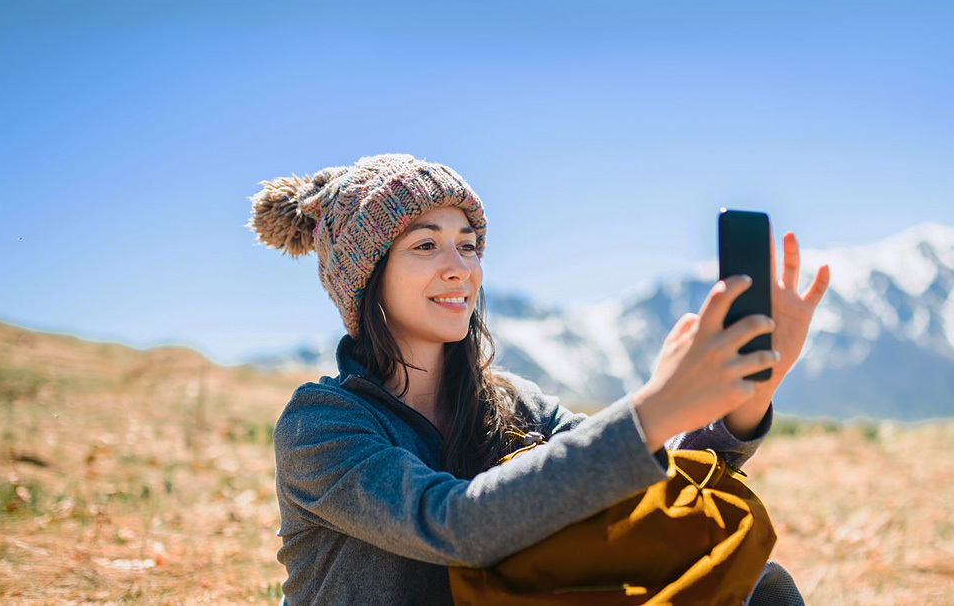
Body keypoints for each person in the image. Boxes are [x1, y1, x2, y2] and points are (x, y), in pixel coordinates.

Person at [248, 153, 831, 605]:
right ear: (365, 277)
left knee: (755, 587)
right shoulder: (321, 425)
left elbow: (628, 481)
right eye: (425, 245)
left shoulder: (512, 403)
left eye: (469, 245)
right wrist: (655, 407)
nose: (460, 266)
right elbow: (455, 523)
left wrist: (744, 400)